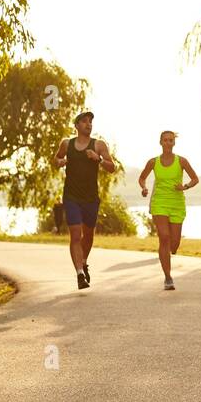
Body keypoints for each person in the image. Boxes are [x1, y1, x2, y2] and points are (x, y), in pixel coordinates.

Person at [54, 110, 116, 289]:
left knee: (88, 235)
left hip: (90, 198)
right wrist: (59, 162)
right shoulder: (67, 144)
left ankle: (84, 261)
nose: (89, 124)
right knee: (75, 234)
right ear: (77, 125)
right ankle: (80, 274)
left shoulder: (99, 145)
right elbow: (56, 158)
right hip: (71, 196)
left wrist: (98, 160)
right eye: (84, 121)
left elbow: (112, 167)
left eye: (90, 122)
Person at [139, 131, 199, 290]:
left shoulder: (182, 161)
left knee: (174, 244)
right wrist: (144, 188)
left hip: (177, 203)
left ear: (174, 143)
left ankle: (168, 253)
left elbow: (195, 179)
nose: (168, 143)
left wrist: (184, 186)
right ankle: (168, 277)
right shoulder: (153, 162)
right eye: (165, 140)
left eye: (170, 140)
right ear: (160, 142)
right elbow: (142, 177)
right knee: (164, 237)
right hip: (160, 202)